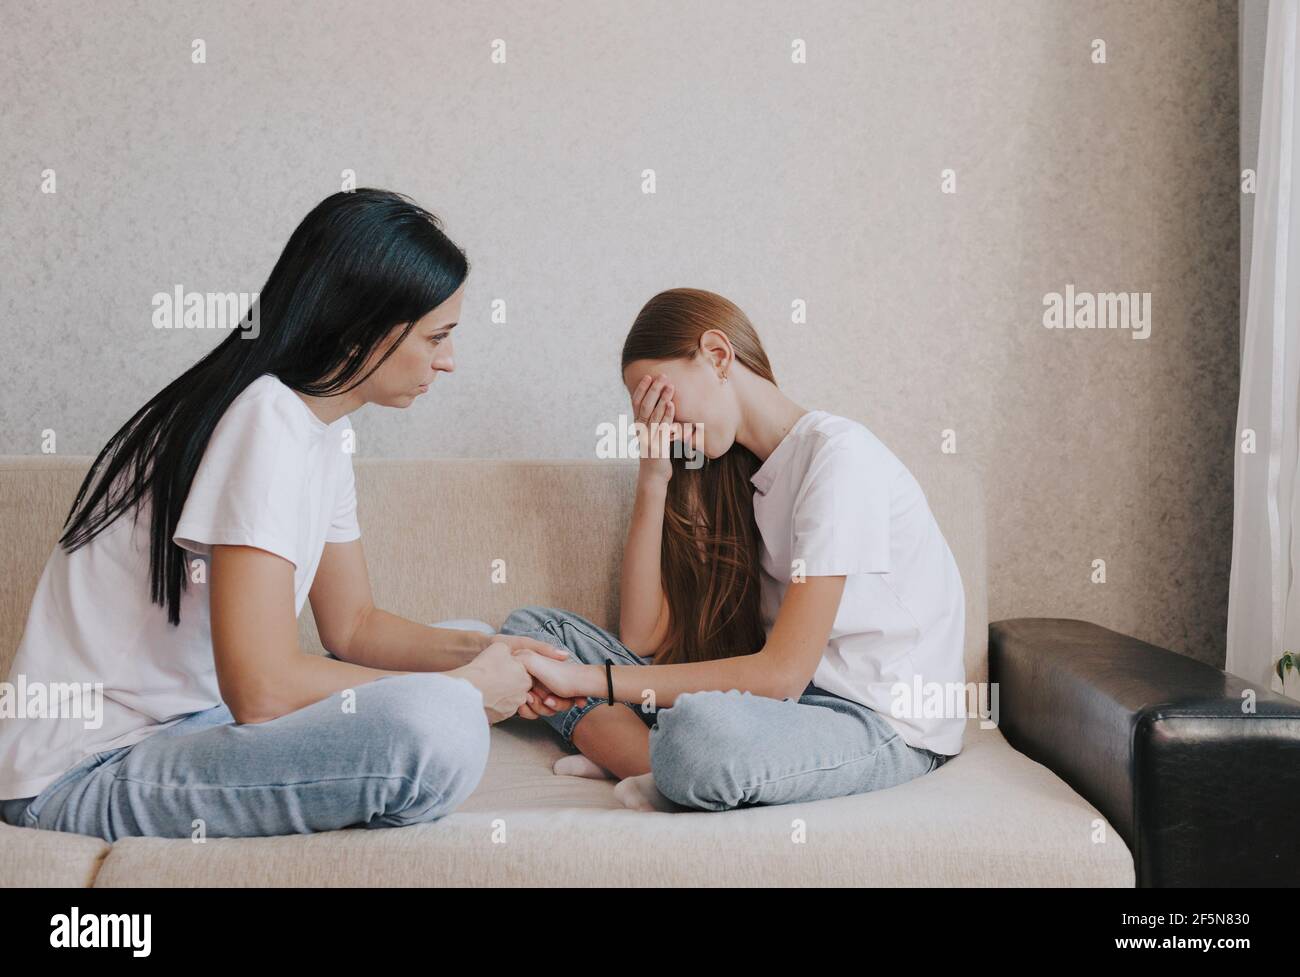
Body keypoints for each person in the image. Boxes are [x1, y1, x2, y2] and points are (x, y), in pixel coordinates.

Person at [0, 189, 581, 842]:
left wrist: (485, 652)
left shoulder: (318, 431)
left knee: (467, 636)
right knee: (438, 723)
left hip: (197, 723)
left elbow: (354, 625)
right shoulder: (264, 418)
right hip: (87, 766)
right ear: (365, 328)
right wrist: (469, 688)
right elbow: (263, 689)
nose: (449, 361)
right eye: (437, 337)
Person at [501, 287, 966, 812]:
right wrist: (654, 473)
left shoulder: (840, 459)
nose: (660, 422)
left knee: (699, 735)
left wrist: (589, 681)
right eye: (646, 412)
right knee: (533, 635)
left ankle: (651, 760)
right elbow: (642, 633)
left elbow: (781, 675)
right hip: (786, 713)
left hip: (880, 722)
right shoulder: (741, 476)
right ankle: (656, 767)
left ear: (718, 356)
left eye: (662, 397)